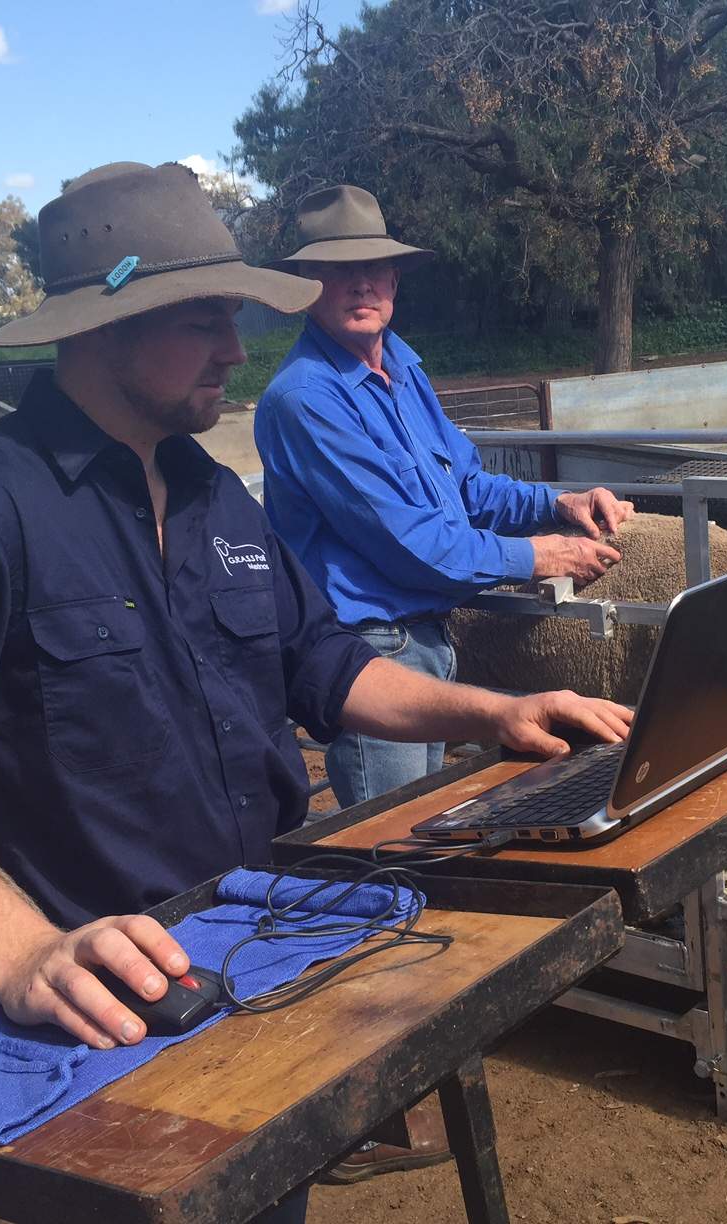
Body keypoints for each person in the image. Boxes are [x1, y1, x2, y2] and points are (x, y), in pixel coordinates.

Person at [0, 163, 631, 1223]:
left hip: (267, 944)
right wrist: (22, 954)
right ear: (100, 326)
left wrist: (497, 716)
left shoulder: (217, 498)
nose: (238, 350)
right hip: (117, 1005)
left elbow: (323, 667)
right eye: (203, 319)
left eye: (234, 316)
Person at [254, 185, 636, 810]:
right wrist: (540, 557)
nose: (360, 286)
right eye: (338, 272)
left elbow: (464, 484)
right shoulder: (306, 400)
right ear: (307, 284)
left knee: (436, 820)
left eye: (373, 268)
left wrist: (555, 505)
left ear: (395, 279)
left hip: (430, 639)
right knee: (398, 837)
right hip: (372, 653)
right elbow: (411, 546)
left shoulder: (402, 364)